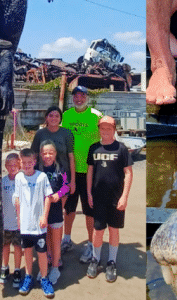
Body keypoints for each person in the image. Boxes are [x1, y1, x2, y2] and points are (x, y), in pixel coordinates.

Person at [85, 116, 133, 283]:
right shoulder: (93, 148)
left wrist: (125, 196)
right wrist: (89, 193)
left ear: (114, 130)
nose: (105, 131)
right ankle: (95, 259)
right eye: (102, 128)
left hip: (116, 198)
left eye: (109, 128)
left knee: (114, 229)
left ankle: (111, 262)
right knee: (98, 230)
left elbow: (128, 173)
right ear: (99, 129)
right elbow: (90, 172)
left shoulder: (121, 149)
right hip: (98, 198)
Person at [60, 85, 103, 263]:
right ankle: (67, 239)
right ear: (73, 98)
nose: (79, 99)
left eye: (82, 95)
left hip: (90, 172)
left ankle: (91, 245)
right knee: (68, 209)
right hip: (69, 172)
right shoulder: (66, 115)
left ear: (87, 97)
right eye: (76, 96)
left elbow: (107, 138)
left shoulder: (96, 115)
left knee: (89, 210)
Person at [13, 148, 56, 298]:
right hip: (25, 225)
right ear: (20, 163)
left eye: (29, 162)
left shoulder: (42, 176)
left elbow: (48, 197)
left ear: (34, 162)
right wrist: (18, 219)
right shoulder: (19, 178)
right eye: (23, 163)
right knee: (27, 252)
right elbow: (17, 199)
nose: (27, 165)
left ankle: (44, 279)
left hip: (39, 226)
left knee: (42, 253)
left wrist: (44, 216)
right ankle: (28, 277)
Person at [39, 140, 70, 284]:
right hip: (40, 211)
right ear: (40, 154)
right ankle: (45, 264)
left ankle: (55, 267)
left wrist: (59, 194)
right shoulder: (37, 169)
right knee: (45, 240)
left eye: (50, 153)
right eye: (44, 153)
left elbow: (66, 186)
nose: (47, 156)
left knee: (56, 240)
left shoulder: (61, 169)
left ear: (55, 154)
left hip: (56, 210)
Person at [0, 153, 24, 288]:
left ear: (19, 165)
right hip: (5, 222)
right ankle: (4, 267)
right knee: (5, 246)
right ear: (5, 166)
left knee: (17, 247)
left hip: (18, 224)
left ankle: (17, 270)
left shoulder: (22, 180)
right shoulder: (3, 181)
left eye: (15, 165)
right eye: (9, 165)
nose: (12, 167)